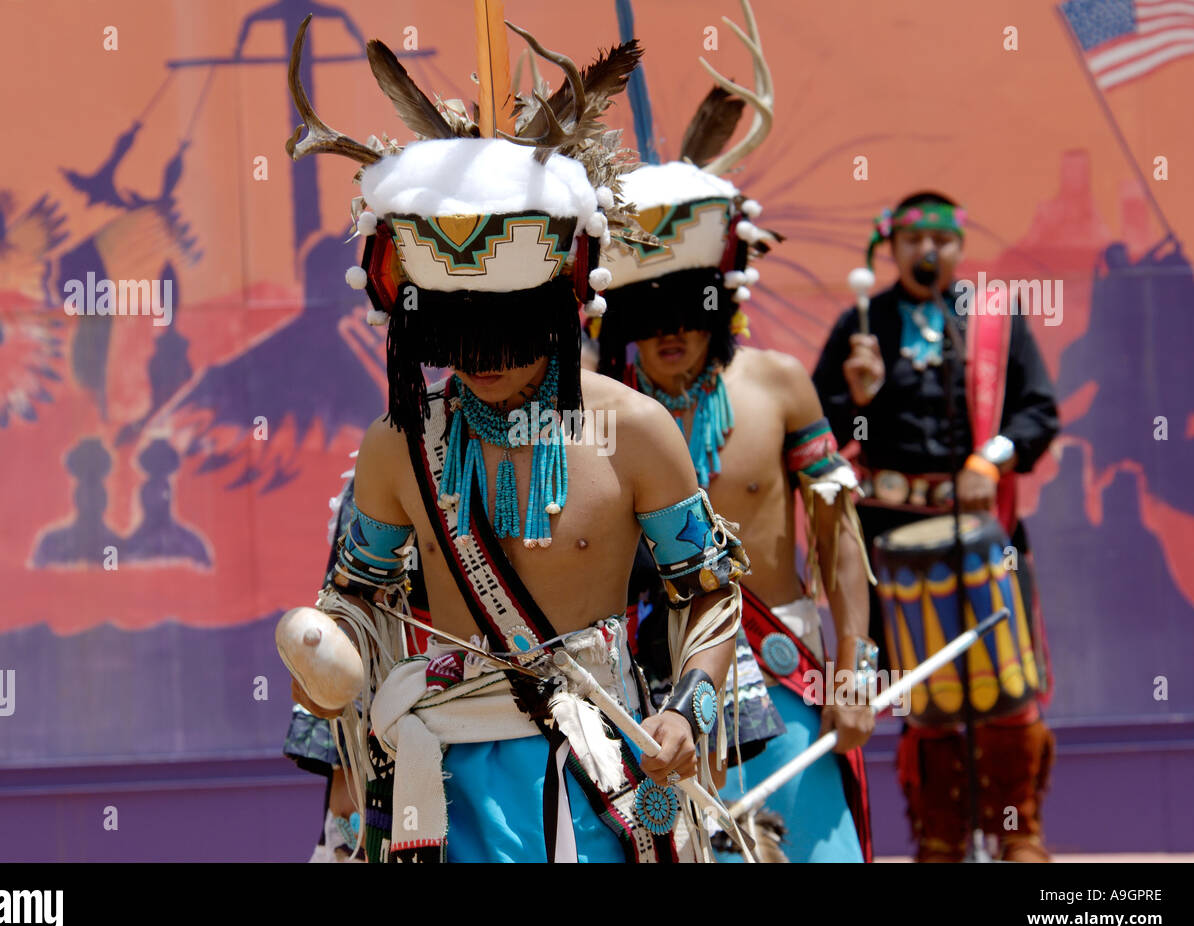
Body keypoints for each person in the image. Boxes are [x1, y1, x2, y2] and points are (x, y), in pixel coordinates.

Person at [278, 19, 750, 863]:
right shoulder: (398, 446)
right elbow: (356, 595)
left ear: (562, 316)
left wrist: (689, 709)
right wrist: (328, 648)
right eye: (459, 340)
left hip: (601, 769)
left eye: (507, 335)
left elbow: (708, 593)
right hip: (443, 781)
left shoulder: (634, 431)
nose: (481, 363)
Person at [588, 80, 877, 862]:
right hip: (655, 698)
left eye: (691, 306)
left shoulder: (778, 384)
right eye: (650, 313)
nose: (673, 330)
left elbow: (838, 536)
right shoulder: (598, 412)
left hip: (782, 675)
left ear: (721, 302)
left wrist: (853, 670)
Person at [811, 191, 1060, 862]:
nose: (929, 251)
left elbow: (1038, 412)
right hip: (894, 539)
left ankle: (1018, 834)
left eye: (942, 240)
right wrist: (853, 399)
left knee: (1006, 691)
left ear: (958, 246)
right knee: (930, 698)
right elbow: (814, 434)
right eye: (915, 239)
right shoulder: (861, 325)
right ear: (891, 248)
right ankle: (942, 836)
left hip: (983, 532)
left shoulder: (992, 322)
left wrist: (992, 456)